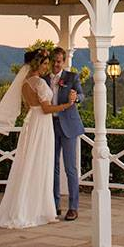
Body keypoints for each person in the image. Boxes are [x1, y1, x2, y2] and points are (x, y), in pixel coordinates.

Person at [0, 48, 77, 229]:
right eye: (44, 63)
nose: (47, 67)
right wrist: (67, 105)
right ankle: (35, 209)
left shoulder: (25, 83)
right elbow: (46, 109)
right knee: (41, 164)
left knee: (30, 163)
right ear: (37, 64)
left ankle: (29, 206)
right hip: (42, 124)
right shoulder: (40, 83)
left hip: (32, 122)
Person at [46, 47, 86, 221]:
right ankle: (54, 205)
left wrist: (75, 97)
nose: (56, 64)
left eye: (59, 61)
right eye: (54, 60)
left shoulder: (71, 77)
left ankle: (73, 207)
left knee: (70, 168)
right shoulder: (43, 79)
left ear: (63, 62)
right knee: (52, 167)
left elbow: (83, 95)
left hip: (68, 125)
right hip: (49, 125)